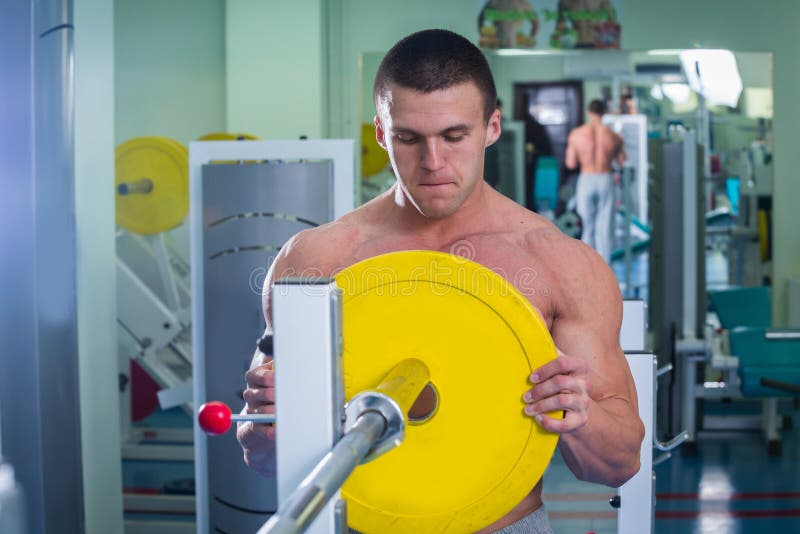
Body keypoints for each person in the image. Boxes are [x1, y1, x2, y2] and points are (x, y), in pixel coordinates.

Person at [237, 29, 643, 533]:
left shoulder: (559, 264)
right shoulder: (318, 258)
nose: (433, 163)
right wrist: (269, 418)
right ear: (382, 134)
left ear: (491, 127)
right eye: (409, 138)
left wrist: (579, 417)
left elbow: (618, 464)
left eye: (454, 136)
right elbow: (259, 453)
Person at [565, 99, 625, 263]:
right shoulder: (613, 136)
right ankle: (605, 268)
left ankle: (587, 266)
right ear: (604, 113)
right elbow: (622, 161)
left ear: (588, 113)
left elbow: (570, 163)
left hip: (586, 179)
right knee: (605, 227)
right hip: (605, 178)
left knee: (586, 225)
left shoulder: (576, 134)